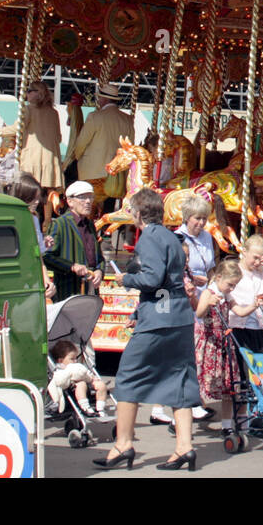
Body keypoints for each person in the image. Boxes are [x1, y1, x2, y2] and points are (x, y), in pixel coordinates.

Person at [95, 187, 200, 471]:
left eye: (131, 210)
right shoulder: (171, 237)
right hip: (179, 316)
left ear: (139, 213)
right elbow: (168, 281)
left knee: (128, 375)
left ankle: (124, 444)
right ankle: (184, 447)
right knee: (180, 378)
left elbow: (152, 278)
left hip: (159, 319)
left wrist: (127, 278)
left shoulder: (150, 238)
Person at [0, 80, 64, 191]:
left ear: (38, 93)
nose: (27, 93)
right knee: (49, 192)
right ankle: (48, 209)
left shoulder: (28, 109)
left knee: (28, 188)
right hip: (51, 158)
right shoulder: (53, 113)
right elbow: (58, 138)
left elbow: (16, 128)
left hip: (32, 157)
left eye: (29, 91)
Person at [63, 81, 134, 206]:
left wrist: (77, 158)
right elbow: (130, 146)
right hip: (116, 174)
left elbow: (81, 144)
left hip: (93, 172)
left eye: (100, 97)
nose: (99, 100)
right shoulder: (127, 119)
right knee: (109, 206)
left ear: (105, 99)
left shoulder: (94, 117)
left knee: (86, 202)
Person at [194, 257, 243, 430]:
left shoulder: (226, 294)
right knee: (200, 382)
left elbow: (239, 311)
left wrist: (254, 305)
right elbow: (199, 313)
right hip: (209, 340)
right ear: (219, 277)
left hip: (224, 342)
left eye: (234, 286)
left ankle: (227, 425)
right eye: (230, 284)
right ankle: (183, 417)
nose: (232, 288)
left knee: (228, 386)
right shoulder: (209, 292)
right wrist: (208, 303)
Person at [45, 181, 104, 298]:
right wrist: (72, 266)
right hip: (69, 290)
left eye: (90, 197)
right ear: (70, 201)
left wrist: (99, 271)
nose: (88, 202)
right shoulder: (60, 224)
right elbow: (47, 257)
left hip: (90, 291)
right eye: (82, 198)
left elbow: (99, 258)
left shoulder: (90, 225)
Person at [228, 235, 263, 354]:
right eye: (255, 258)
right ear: (245, 252)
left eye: (260, 259)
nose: (257, 262)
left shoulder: (262, 272)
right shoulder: (234, 270)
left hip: (259, 326)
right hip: (238, 326)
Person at [48, 339, 109, 417]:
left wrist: (93, 378)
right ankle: (85, 407)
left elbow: (85, 372)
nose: (75, 360)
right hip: (73, 385)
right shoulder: (60, 368)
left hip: (86, 379)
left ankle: (100, 408)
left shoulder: (77, 366)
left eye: (76, 358)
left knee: (101, 385)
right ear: (60, 360)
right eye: (72, 359)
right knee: (81, 384)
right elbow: (61, 379)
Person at [174, 197, 215, 295]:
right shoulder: (178, 237)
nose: (201, 223)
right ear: (187, 217)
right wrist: (192, 279)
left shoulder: (207, 237)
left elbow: (210, 269)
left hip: (205, 293)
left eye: (204, 218)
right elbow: (173, 271)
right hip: (186, 291)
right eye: (197, 218)